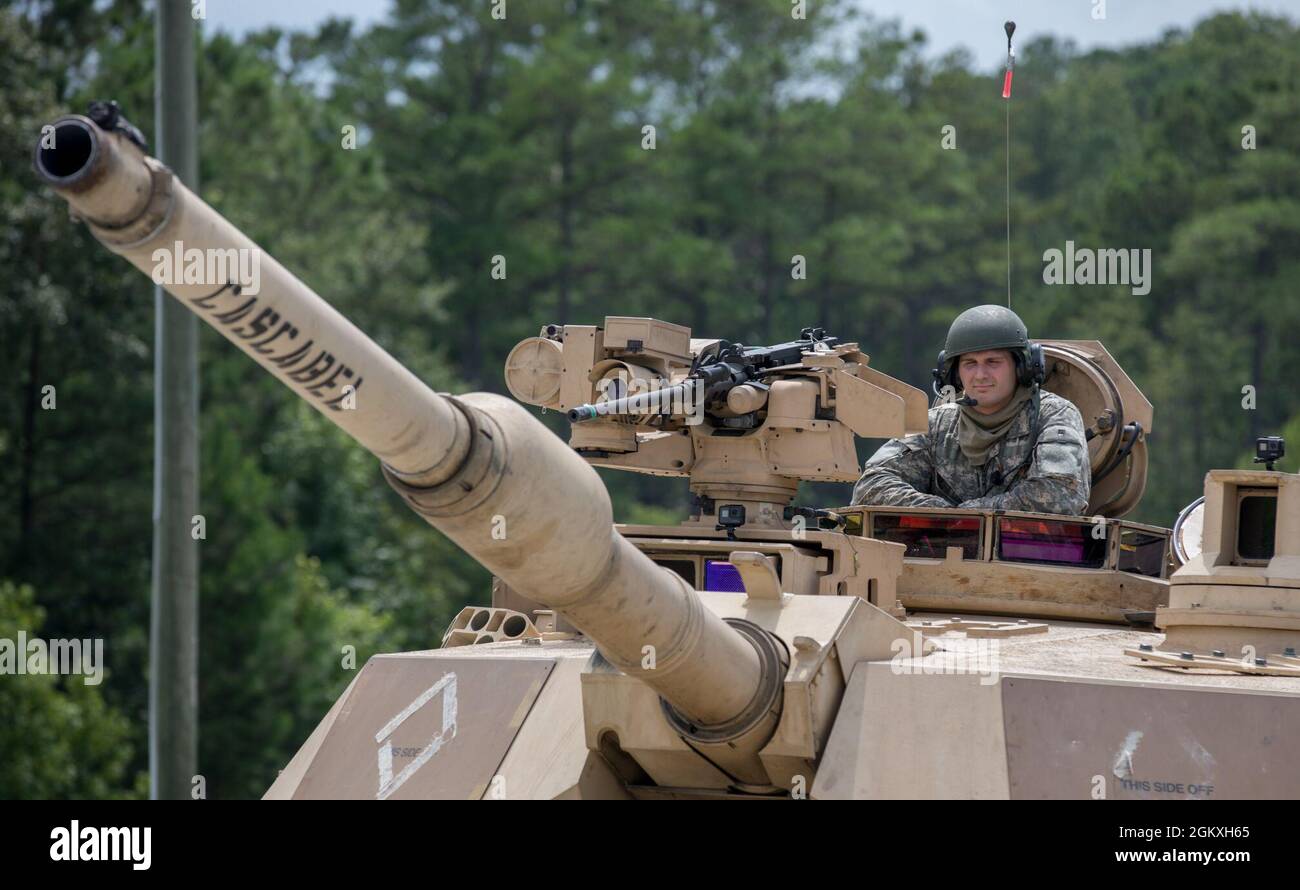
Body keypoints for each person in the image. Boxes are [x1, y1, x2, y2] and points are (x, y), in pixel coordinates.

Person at [851, 305, 1090, 515]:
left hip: (1032, 557)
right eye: (969, 364)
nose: (980, 375)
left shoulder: (1052, 415)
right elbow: (871, 486)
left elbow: (1058, 495)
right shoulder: (937, 425)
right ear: (954, 373)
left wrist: (968, 515)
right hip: (942, 554)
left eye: (993, 362)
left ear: (1022, 367)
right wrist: (941, 514)